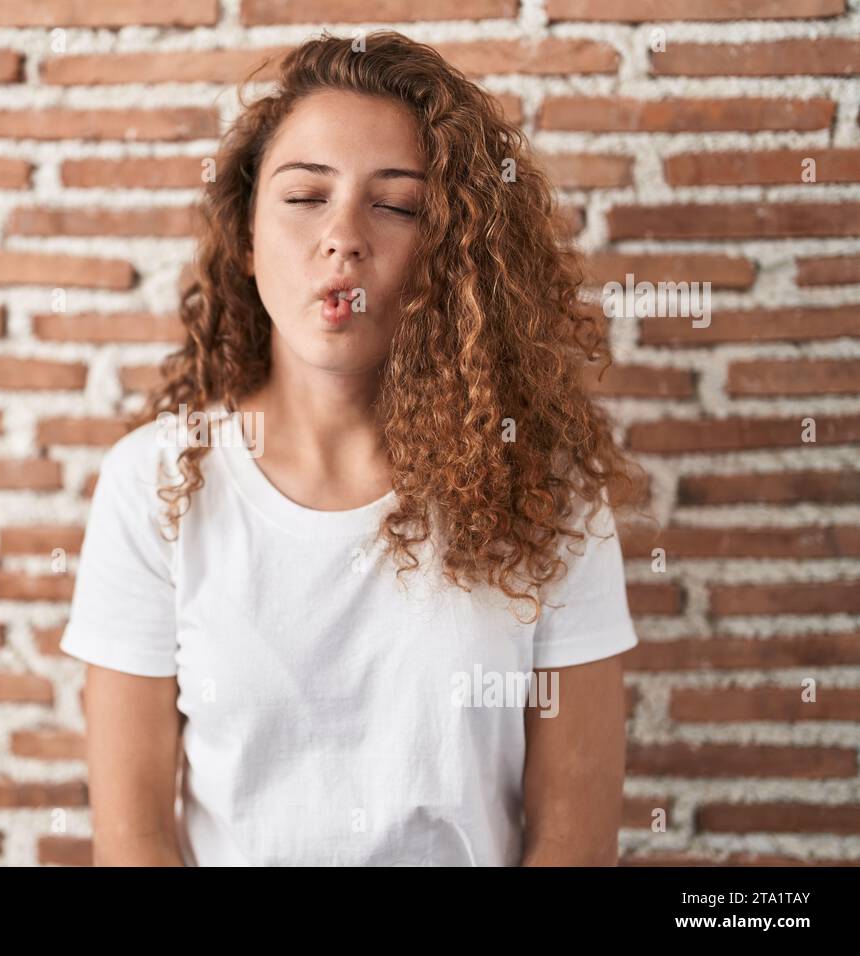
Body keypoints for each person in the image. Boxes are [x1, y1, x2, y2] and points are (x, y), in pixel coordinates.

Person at [58, 29, 648, 866]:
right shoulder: (151, 484)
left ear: (450, 255)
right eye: (304, 197)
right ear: (251, 236)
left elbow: (571, 843)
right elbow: (136, 836)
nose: (344, 237)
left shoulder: (546, 493)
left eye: (398, 206)